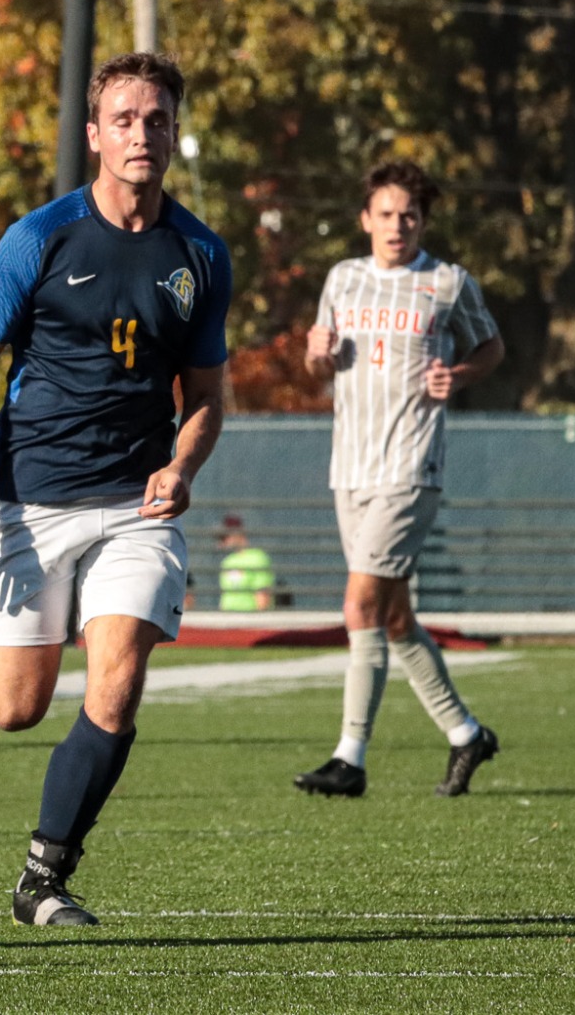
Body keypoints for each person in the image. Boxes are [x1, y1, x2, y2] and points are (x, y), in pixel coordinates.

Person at [0, 51, 231, 927]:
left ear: (174, 133)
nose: (143, 134)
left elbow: (207, 397)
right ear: (95, 134)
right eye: (125, 120)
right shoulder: (39, 237)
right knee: (13, 708)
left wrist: (182, 466)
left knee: (117, 682)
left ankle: (45, 874)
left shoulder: (201, 253)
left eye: (158, 119)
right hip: (28, 497)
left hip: (137, 506)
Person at [294, 159, 505, 800]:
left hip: (411, 466)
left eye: (408, 215)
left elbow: (491, 347)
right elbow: (318, 365)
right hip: (350, 465)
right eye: (385, 214)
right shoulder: (343, 278)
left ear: (423, 222)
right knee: (391, 618)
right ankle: (466, 734)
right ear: (366, 219)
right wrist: (316, 355)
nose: (397, 225)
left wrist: (458, 376)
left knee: (359, 605)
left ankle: (350, 757)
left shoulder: (447, 282)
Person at [217, 514, 276, 611]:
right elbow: (225, 599)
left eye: (224, 537)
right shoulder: (227, 562)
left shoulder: (258, 558)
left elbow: (262, 597)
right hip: (228, 619)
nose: (222, 542)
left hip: (250, 619)